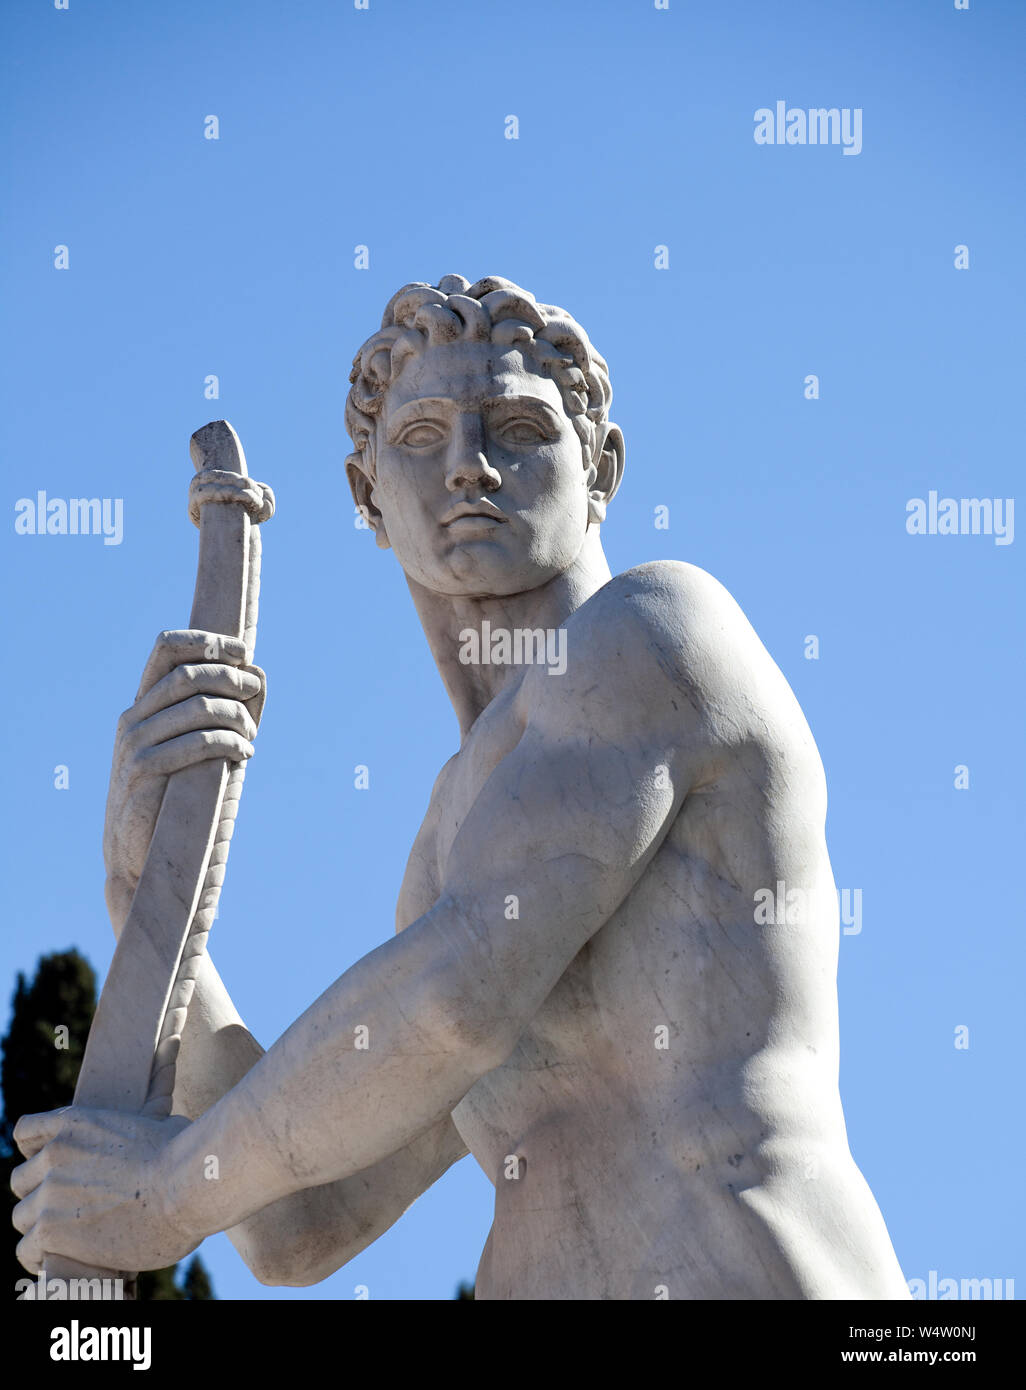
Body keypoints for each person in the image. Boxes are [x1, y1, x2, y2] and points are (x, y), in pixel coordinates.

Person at [11, 274, 909, 1299]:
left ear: (601, 470)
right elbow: (303, 1225)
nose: (470, 466)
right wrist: (148, 896)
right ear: (367, 497)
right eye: (423, 434)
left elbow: (457, 999)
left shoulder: (658, 632)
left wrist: (167, 1192)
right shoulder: (447, 841)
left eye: (519, 426)